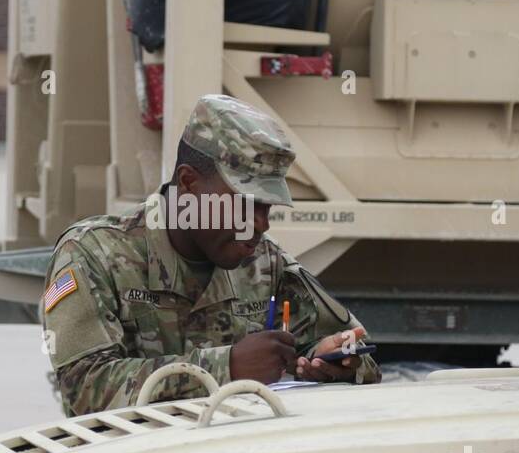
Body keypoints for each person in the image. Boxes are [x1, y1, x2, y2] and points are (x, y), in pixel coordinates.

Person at [41, 94, 381, 416]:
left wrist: (335, 366)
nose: (260, 224)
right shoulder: (93, 254)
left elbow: (361, 357)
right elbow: (85, 388)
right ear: (189, 184)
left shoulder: (265, 265)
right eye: (246, 205)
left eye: (267, 208)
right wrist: (227, 368)